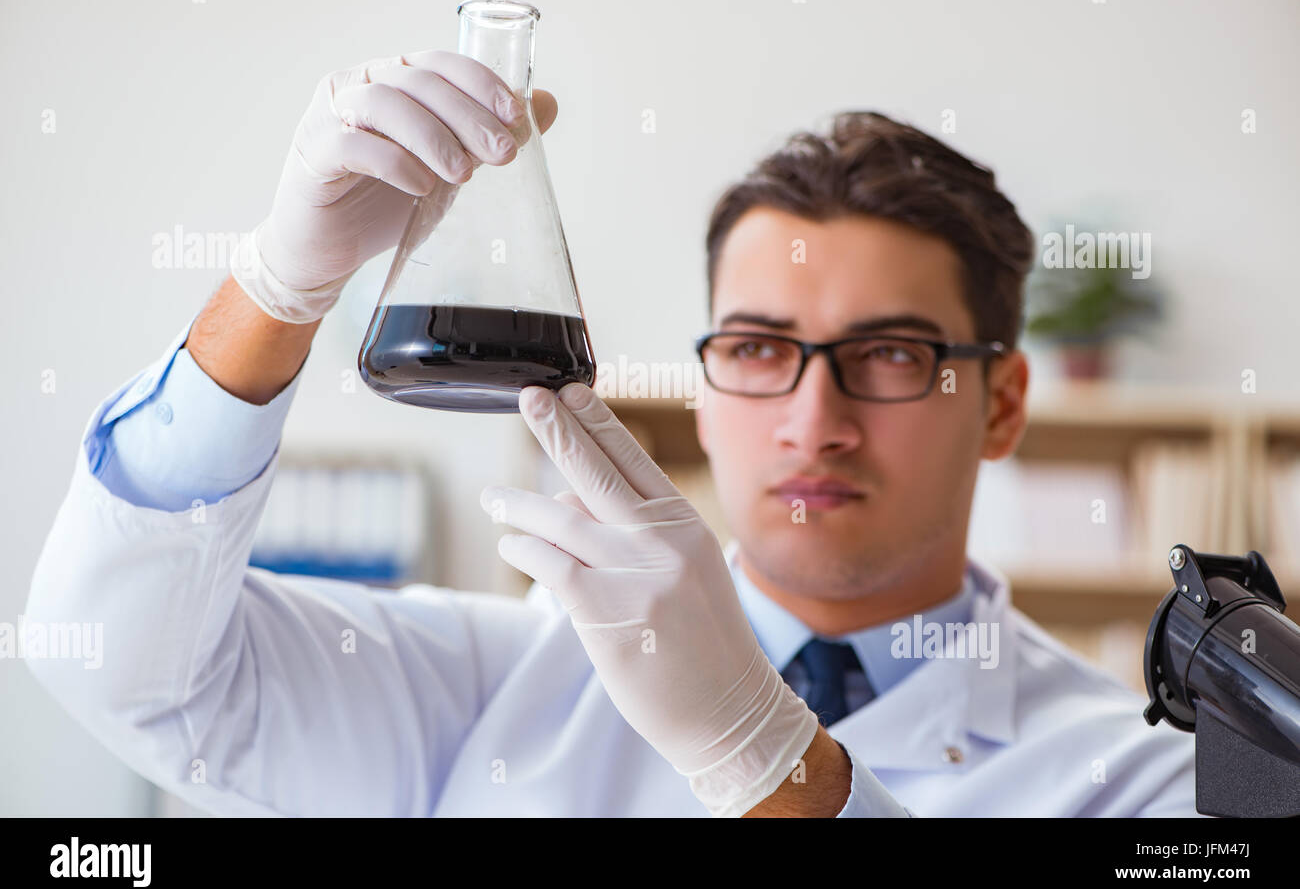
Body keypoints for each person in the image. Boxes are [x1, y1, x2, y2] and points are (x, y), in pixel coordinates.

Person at [25, 48, 1199, 817]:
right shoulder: (489, 682)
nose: (813, 419)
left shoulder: (1144, 779)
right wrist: (273, 292)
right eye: (756, 349)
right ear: (703, 388)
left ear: (999, 403)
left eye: (890, 356)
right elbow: (122, 668)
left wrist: (765, 757)